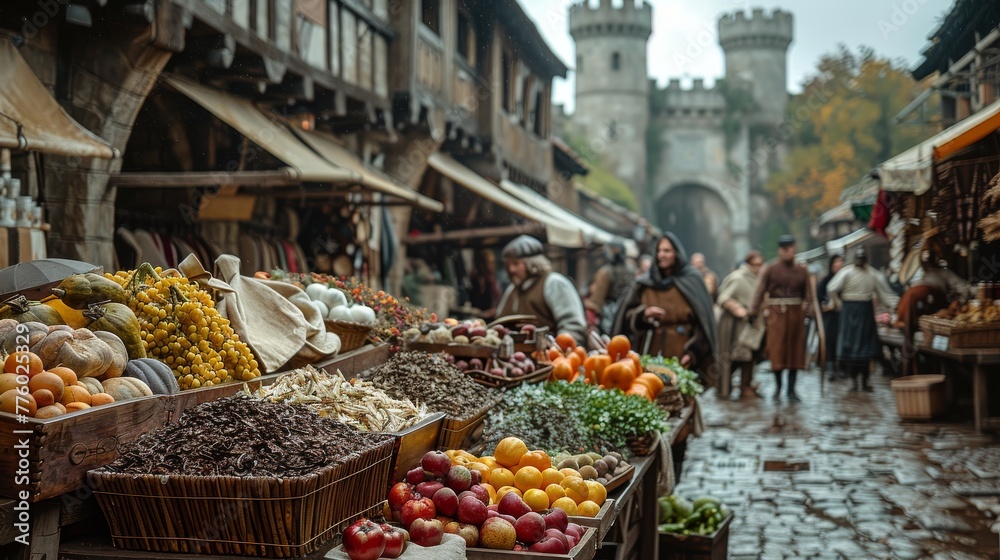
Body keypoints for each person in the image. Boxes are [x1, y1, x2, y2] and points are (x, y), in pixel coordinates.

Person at [613, 232, 717, 380]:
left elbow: (704, 323)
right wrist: (644, 315)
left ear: (677, 253)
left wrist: (692, 353)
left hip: (680, 353)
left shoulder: (692, 281)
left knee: (680, 398)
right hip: (650, 352)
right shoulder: (644, 283)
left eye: (667, 251)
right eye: (659, 251)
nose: (662, 255)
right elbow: (626, 316)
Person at [749, 235, 816, 402]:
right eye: (784, 248)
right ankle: (778, 388)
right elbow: (759, 291)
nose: (787, 251)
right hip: (775, 316)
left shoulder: (802, 271)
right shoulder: (770, 269)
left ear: (794, 249)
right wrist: (752, 311)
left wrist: (809, 311)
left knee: (795, 352)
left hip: (795, 316)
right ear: (779, 250)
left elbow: (809, 295)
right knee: (777, 351)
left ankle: (791, 390)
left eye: (790, 248)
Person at [827, 247, 900, 391]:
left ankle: (865, 381)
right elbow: (831, 288)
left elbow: (884, 294)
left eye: (862, 259)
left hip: (865, 312)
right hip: (849, 312)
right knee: (851, 351)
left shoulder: (872, 274)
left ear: (865, 260)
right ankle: (854, 382)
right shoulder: (846, 272)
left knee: (866, 351)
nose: (860, 262)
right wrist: (838, 305)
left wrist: (898, 304)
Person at [495, 235, 588, 344]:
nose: (511, 269)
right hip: (517, 358)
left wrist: (558, 351)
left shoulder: (554, 282)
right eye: (508, 264)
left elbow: (572, 326)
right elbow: (500, 323)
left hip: (549, 355)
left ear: (532, 262)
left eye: (516, 263)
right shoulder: (512, 289)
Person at [715, 250, 765, 399]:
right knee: (733, 358)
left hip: (751, 326)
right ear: (748, 264)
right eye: (756, 265)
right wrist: (739, 310)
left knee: (749, 357)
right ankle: (725, 387)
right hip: (734, 325)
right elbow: (723, 298)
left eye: (761, 265)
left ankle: (745, 386)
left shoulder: (759, 279)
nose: (758, 268)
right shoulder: (738, 278)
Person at [584, 238, 635, 335]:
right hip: (627, 316)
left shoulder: (606, 272)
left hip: (609, 318)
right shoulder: (632, 270)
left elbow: (596, 301)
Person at [817, 254, 845, 382]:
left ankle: (843, 367)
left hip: (843, 314)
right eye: (836, 263)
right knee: (830, 340)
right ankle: (831, 367)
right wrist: (824, 304)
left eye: (840, 263)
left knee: (843, 340)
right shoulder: (826, 280)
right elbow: (821, 295)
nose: (837, 265)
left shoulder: (845, 279)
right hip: (830, 316)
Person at [468, 249, 501, 317]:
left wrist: (494, 310)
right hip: (475, 316)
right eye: (488, 262)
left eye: (492, 262)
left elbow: (499, 300)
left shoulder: (493, 281)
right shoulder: (474, 279)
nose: (491, 265)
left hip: (491, 316)